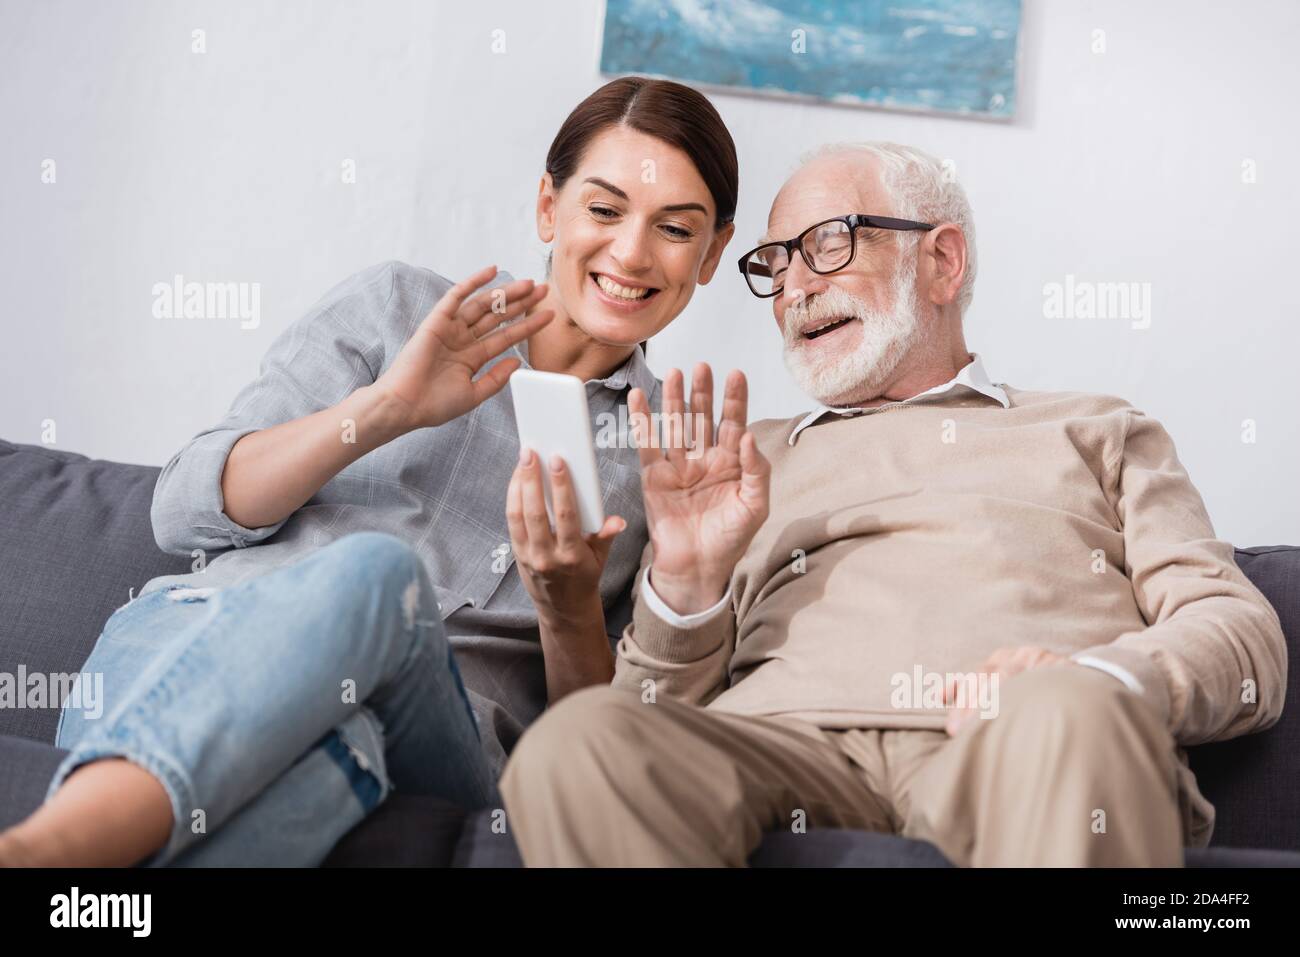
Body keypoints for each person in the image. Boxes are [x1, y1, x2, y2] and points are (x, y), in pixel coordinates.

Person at [0, 76, 738, 867]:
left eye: (673, 227)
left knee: (384, 585)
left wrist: (565, 606)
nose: (631, 250)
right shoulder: (398, 310)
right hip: (201, 650)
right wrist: (384, 409)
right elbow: (178, 511)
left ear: (712, 254)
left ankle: (50, 852)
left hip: (436, 735)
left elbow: (595, 745)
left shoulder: (676, 459)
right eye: (603, 209)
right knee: (339, 734)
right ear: (548, 208)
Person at [498, 141, 1287, 867]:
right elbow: (647, 712)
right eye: (777, 262)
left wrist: (1094, 677)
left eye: (830, 244)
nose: (796, 287)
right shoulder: (739, 460)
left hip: (1016, 738)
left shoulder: (1096, 429)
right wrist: (687, 583)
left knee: (1066, 717)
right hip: (777, 750)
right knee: (575, 742)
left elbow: (1240, 636)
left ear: (942, 261)